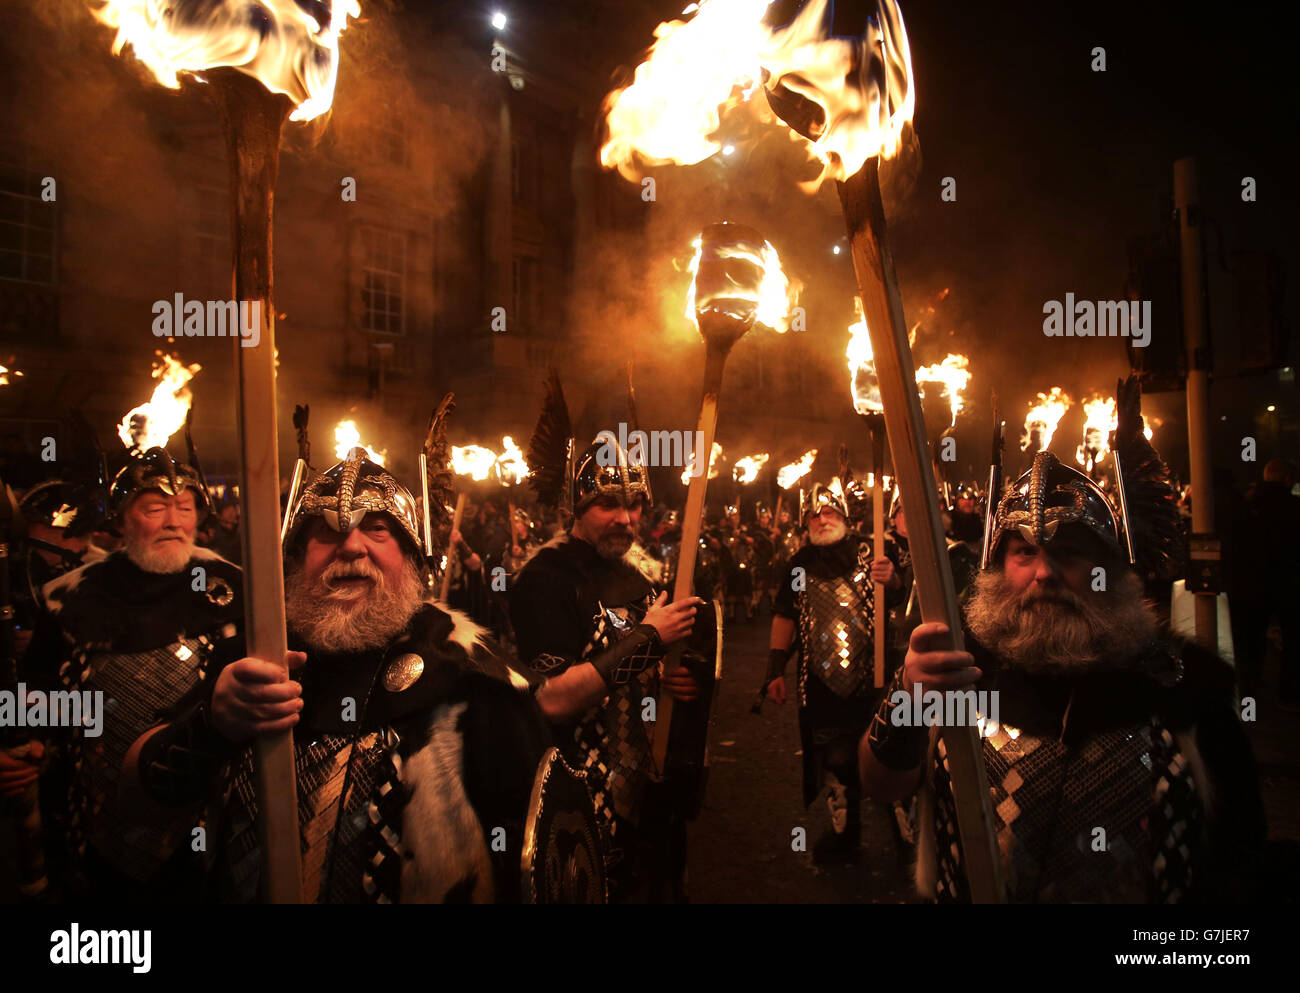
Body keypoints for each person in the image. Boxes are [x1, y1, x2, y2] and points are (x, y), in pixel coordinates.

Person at [134, 447, 550, 903]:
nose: (351, 546)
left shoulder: (471, 671)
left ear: (412, 555)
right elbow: (138, 793)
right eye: (326, 531)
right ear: (295, 559)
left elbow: (537, 857)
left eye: (377, 529)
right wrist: (212, 726)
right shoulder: (252, 654)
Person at [860, 440, 1267, 902]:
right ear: (998, 567)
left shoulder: (1180, 686)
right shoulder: (959, 671)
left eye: (1069, 553)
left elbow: (1240, 856)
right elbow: (882, 784)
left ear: (1108, 571)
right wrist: (908, 695)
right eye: (1025, 553)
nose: (1044, 573)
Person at [20, 448, 242, 901]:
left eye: (185, 508)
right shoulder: (71, 597)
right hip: (94, 826)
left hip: (206, 824)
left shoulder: (234, 588)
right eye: (155, 508)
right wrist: (26, 744)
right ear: (121, 520)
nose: (173, 522)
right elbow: (34, 699)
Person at [509, 438, 705, 901]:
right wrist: (648, 639)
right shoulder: (545, 580)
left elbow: (644, 674)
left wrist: (669, 680)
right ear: (577, 507)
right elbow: (550, 700)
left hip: (652, 793)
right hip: (583, 800)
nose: (625, 518)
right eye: (606, 504)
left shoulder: (640, 575)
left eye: (634, 504)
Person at [765, 480, 900, 862]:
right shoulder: (799, 564)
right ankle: (845, 834)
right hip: (819, 683)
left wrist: (892, 579)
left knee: (890, 756)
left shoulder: (873, 553)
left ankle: (908, 839)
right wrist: (775, 668)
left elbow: (907, 601)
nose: (822, 520)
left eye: (829, 513)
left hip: (874, 679)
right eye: (814, 515)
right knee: (836, 762)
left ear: (843, 515)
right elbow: (785, 615)